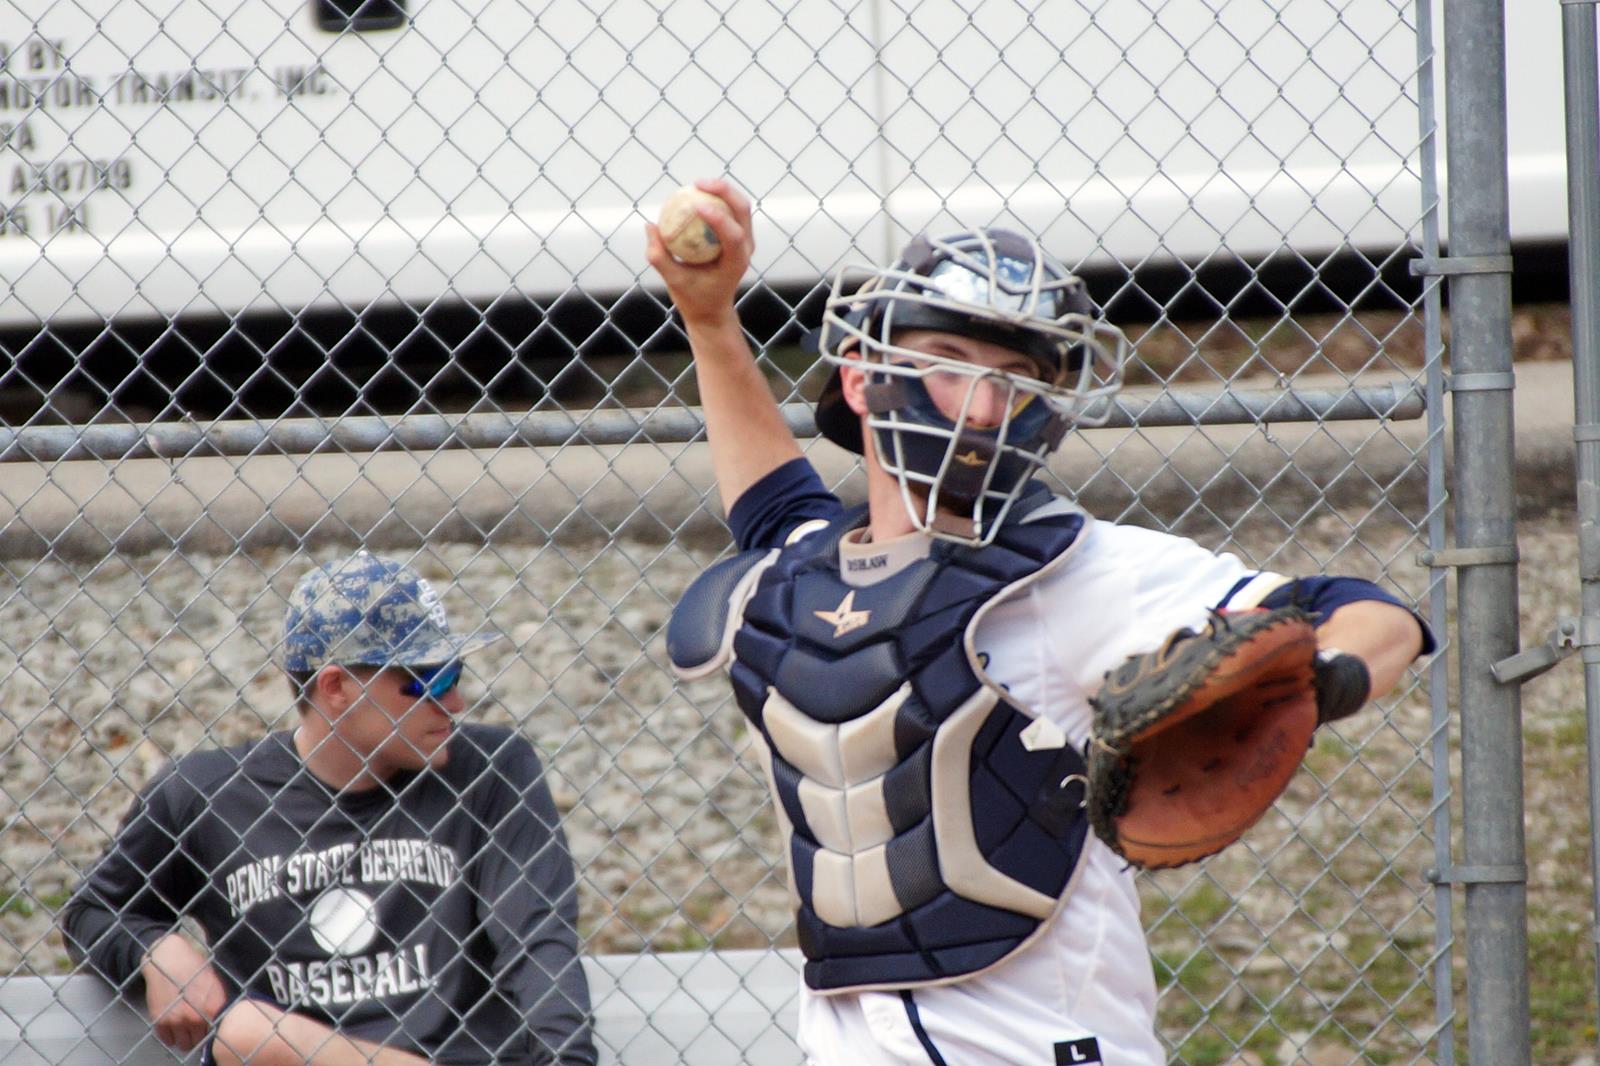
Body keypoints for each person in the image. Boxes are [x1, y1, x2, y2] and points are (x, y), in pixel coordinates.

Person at [646, 180, 1432, 1064]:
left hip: (1038, 1043)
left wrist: (1326, 678)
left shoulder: (1078, 572)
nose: (984, 409)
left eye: (1018, 379)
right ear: (862, 378)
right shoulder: (805, 568)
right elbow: (769, 503)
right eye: (951, 361)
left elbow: (1368, 610)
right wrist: (709, 321)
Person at [61, 551, 597, 1066]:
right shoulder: (205, 796)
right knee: (255, 1036)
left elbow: (539, 944)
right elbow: (91, 912)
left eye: (454, 674)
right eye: (427, 681)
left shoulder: (488, 772)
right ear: (336, 687)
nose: (454, 703)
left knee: (249, 1034)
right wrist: (154, 949)